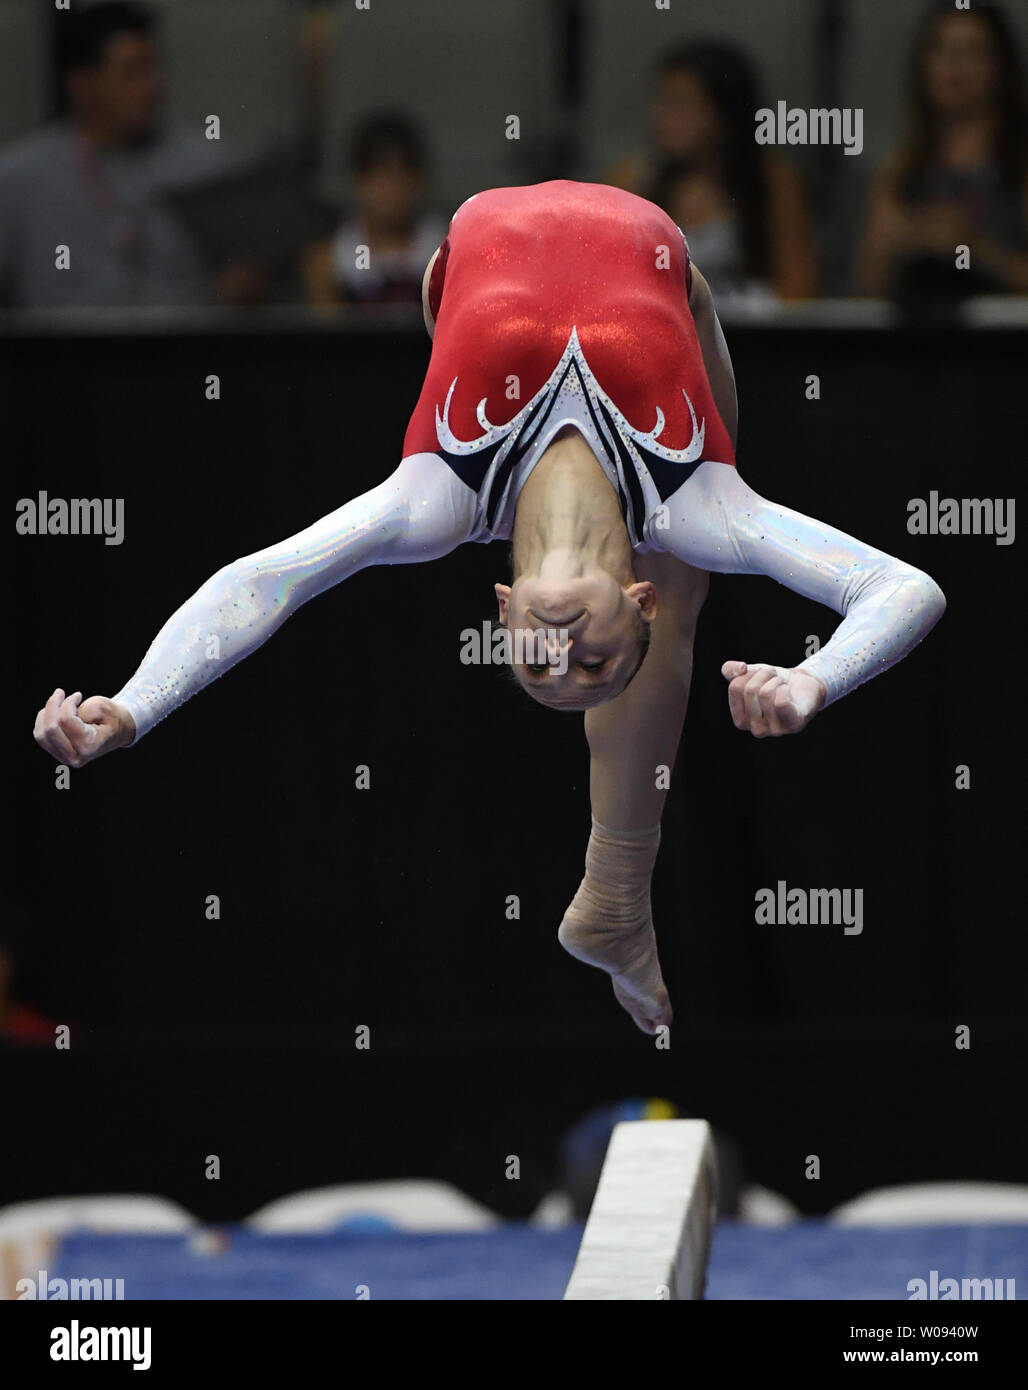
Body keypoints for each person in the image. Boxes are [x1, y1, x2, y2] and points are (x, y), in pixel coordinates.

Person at [33, 181, 945, 1034]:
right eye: (593, 664)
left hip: (461, 272)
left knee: (680, 591)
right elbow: (906, 588)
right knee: (693, 583)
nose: (562, 655)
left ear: (503, 605)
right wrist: (813, 680)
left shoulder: (437, 501)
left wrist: (133, 708)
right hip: (672, 278)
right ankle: (618, 895)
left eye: (538, 666)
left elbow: (261, 579)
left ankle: (614, 895)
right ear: (634, 601)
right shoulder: (699, 504)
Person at [0, 2, 263, 309]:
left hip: (181, 349)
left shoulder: (205, 166)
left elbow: (241, 283)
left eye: (153, 68)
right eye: (132, 73)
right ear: (81, 84)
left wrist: (243, 281)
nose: (152, 86)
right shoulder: (22, 178)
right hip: (65, 352)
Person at [604, 43, 817, 305]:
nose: (662, 118)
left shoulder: (773, 181)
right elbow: (606, 285)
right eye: (662, 102)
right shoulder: (631, 181)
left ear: (725, 115)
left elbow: (798, 291)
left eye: (681, 105)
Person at [857, 1, 1028, 300]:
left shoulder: (1018, 166)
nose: (953, 65)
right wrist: (902, 241)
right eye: (940, 49)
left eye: (971, 51)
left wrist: (973, 248)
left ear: (1000, 67)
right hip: (919, 337)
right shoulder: (901, 169)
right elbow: (866, 291)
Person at [301, 111, 447, 308]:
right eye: (383, 174)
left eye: (404, 173)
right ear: (358, 182)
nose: (394, 187)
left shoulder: (447, 253)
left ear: (419, 181)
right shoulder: (327, 262)